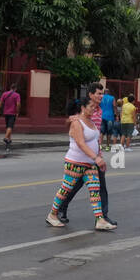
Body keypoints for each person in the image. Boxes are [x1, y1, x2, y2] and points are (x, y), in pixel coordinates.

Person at [46, 96, 114, 231]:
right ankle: (52, 214)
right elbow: (81, 144)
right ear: (83, 108)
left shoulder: (91, 122)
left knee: (95, 190)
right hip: (75, 163)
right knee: (65, 189)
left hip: (90, 164)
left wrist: (98, 157)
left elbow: (95, 142)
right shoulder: (77, 122)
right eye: (91, 107)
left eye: (94, 107)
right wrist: (96, 158)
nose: (94, 109)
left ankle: (99, 219)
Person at [0, 82, 21, 148]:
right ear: (15, 89)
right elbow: (18, 104)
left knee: (8, 126)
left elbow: (0, 103)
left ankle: (9, 139)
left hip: (6, 113)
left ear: (10, 88)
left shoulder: (4, 94)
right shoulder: (17, 95)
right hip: (12, 113)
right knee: (10, 126)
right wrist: (17, 112)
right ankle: (6, 137)